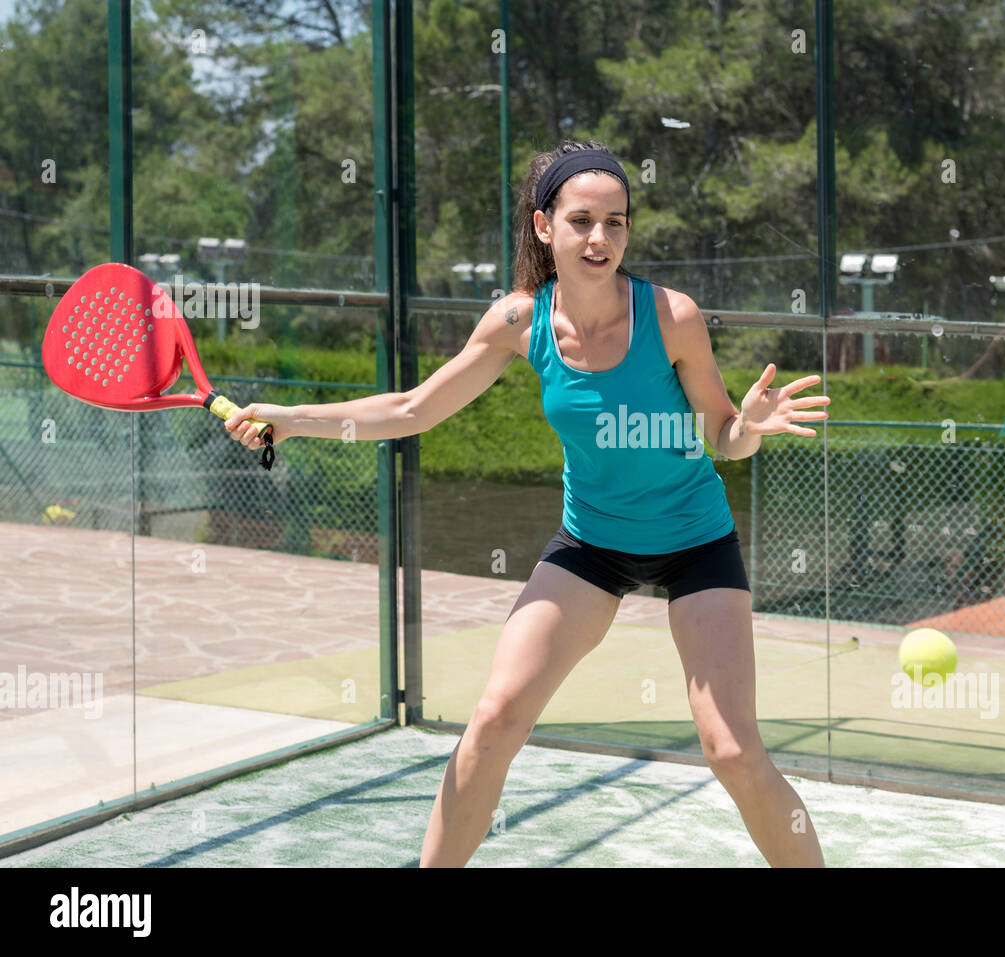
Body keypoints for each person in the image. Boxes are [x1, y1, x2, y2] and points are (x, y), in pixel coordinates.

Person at [225, 139, 831, 867]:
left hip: (695, 542)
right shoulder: (520, 321)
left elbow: (724, 436)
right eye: (581, 220)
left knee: (731, 748)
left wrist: (750, 429)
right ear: (545, 227)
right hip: (591, 545)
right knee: (494, 718)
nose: (600, 237)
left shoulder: (672, 317)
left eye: (616, 221)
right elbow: (414, 407)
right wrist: (291, 418)